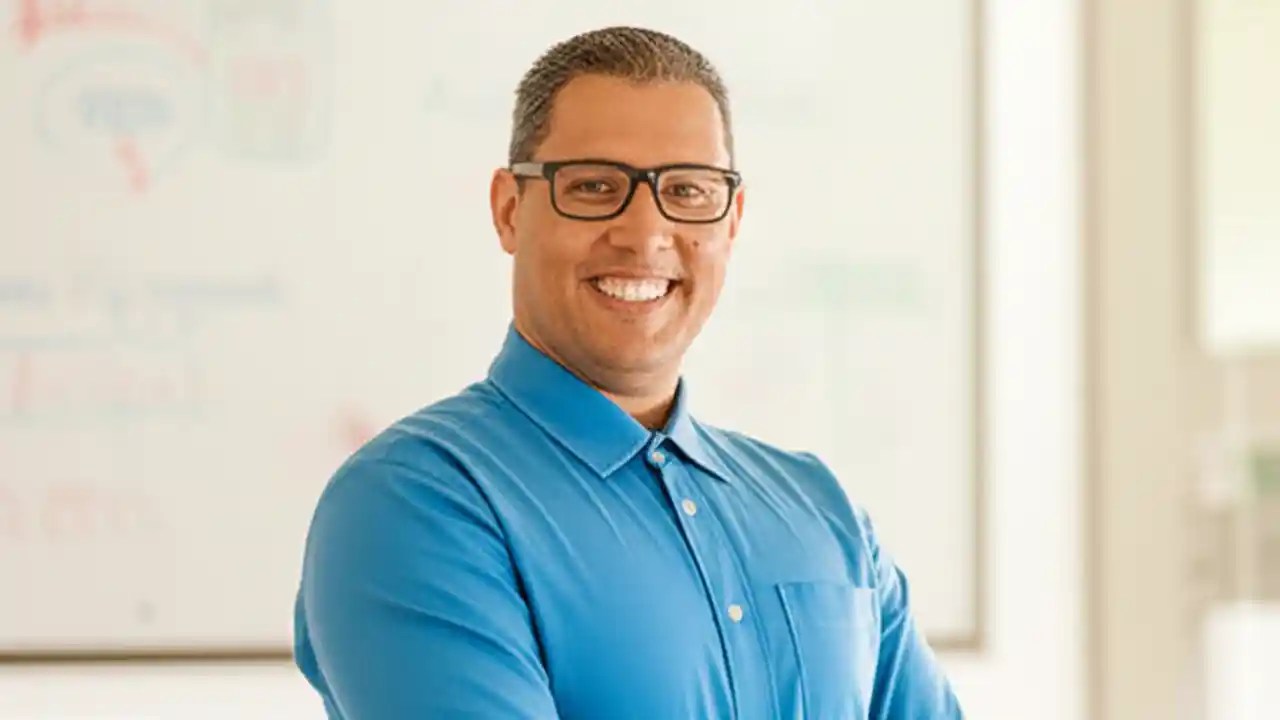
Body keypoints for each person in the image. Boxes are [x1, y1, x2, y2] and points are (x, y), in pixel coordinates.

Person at [294, 25, 964, 720]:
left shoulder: (824, 512)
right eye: (593, 186)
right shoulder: (414, 505)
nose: (645, 234)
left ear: (731, 221)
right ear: (509, 209)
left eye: (687, 189)